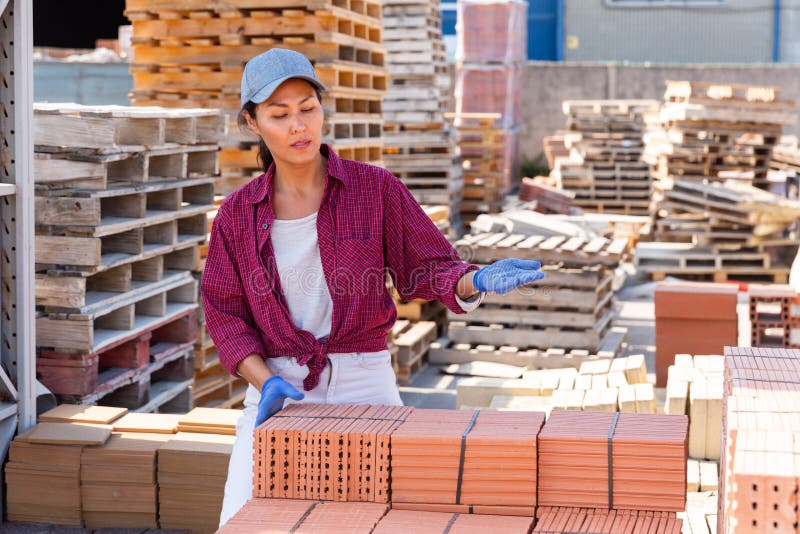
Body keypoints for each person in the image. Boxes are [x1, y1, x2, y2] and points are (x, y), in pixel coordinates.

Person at [201, 48, 546, 527]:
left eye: (308, 108)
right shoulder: (238, 216)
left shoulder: (374, 189)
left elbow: (426, 267)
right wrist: (266, 381)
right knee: (244, 519)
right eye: (280, 115)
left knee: (381, 521)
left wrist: (473, 278)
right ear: (253, 123)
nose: (298, 126)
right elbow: (224, 313)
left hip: (364, 381)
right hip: (278, 390)